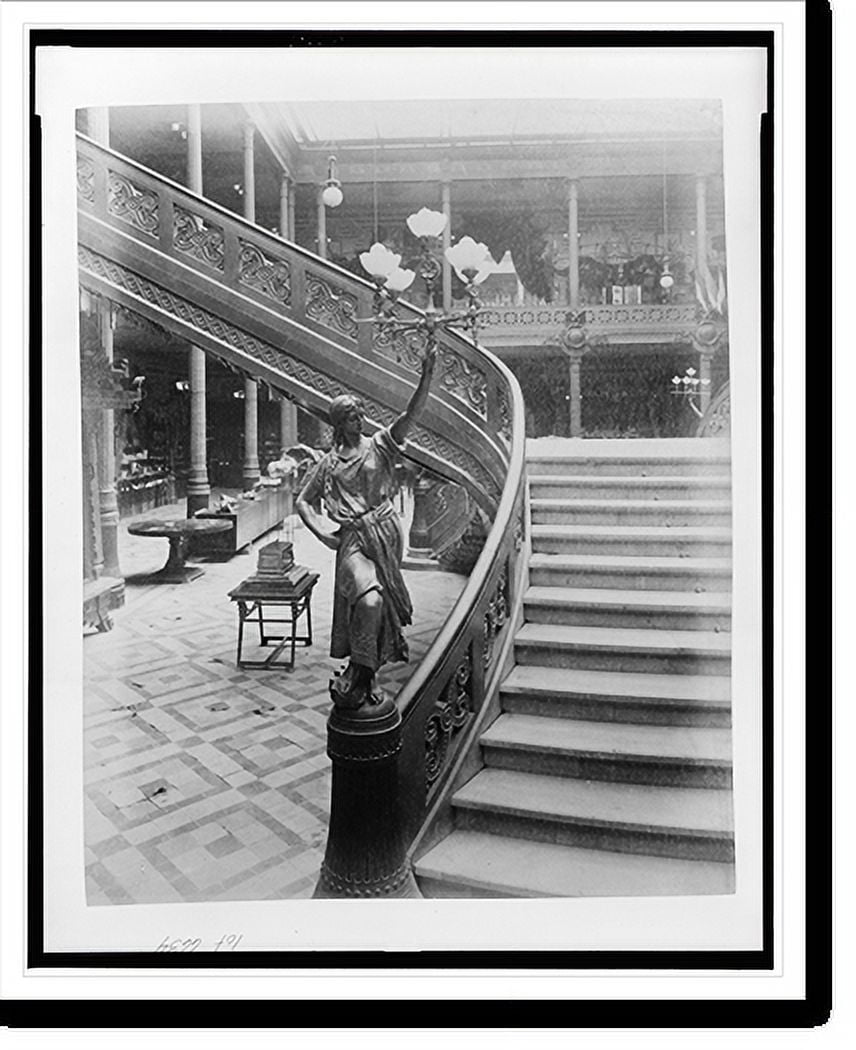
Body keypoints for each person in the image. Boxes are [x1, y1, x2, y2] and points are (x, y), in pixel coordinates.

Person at [296, 346, 437, 710]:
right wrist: (322, 534)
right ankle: (362, 672)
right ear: (339, 423)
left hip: (386, 535)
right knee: (370, 600)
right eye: (352, 417)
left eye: (360, 415)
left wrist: (426, 377)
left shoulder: (380, 446)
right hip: (353, 540)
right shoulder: (328, 464)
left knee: (375, 605)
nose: (360, 421)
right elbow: (303, 501)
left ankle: (364, 673)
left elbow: (411, 415)